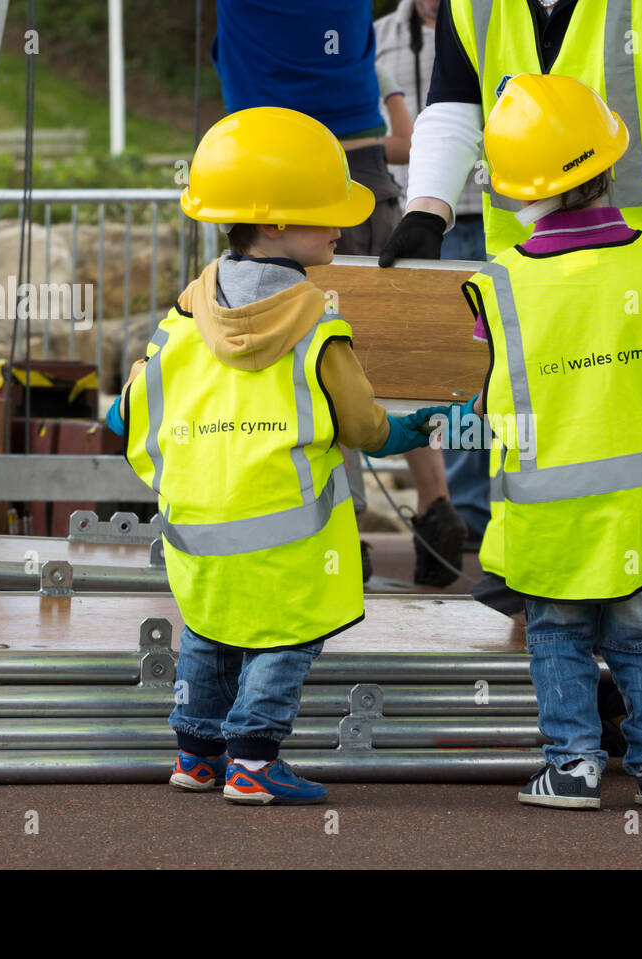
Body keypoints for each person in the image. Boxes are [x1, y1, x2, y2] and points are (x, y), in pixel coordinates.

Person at [379, 0, 642, 769]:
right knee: (559, 481)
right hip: (539, 278)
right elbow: (455, 106)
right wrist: (429, 205)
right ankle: (609, 719)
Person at [112, 107, 446, 805]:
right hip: (290, 534)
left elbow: (127, 411)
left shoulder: (181, 320)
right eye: (323, 214)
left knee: (208, 631)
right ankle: (255, 761)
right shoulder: (319, 329)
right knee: (284, 638)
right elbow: (366, 428)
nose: (340, 226)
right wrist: (421, 429)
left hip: (197, 526)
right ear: (271, 224)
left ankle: (198, 753)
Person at [434, 73, 642, 810]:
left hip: (552, 517)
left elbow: (491, 390)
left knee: (558, 636)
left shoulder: (501, 286)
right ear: (607, 165)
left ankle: (572, 767)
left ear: (514, 187)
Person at [212, 0, 468, 587]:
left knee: (312, 363)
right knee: (392, 363)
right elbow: (401, 131)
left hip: (287, 207)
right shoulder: (350, 17)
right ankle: (436, 505)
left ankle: (344, 527)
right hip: (372, 188)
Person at [376, 0, 493, 551]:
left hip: (495, 216)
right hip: (423, 223)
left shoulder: (489, 21)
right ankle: (454, 505)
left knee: (490, 362)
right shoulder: (378, 39)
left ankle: (480, 505)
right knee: (442, 365)